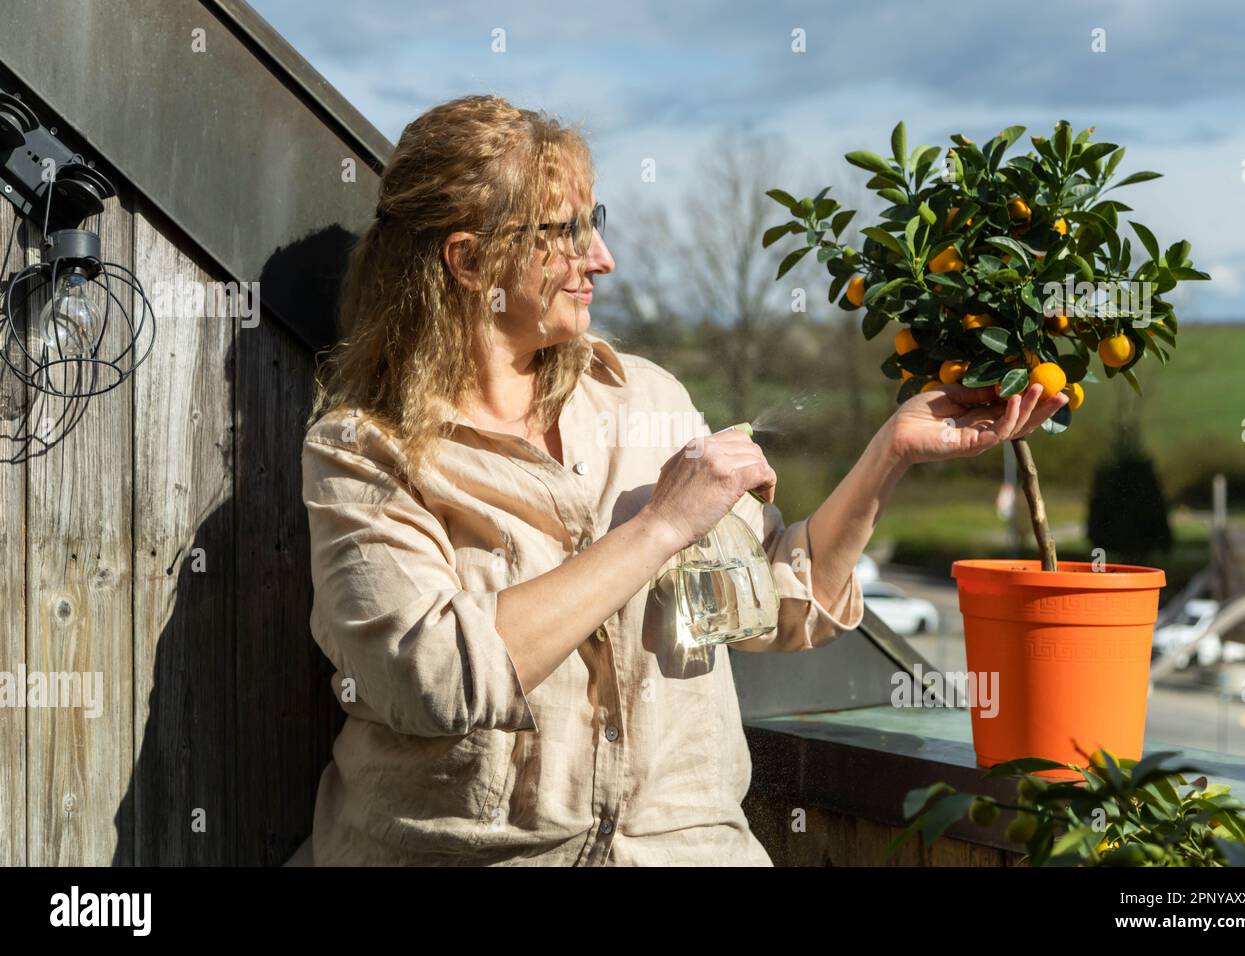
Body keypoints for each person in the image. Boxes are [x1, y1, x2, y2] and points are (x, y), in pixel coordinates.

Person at [299, 94, 1068, 866]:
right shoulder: (365, 455)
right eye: (565, 232)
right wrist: (660, 526)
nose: (601, 258)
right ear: (468, 261)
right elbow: (432, 680)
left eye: (594, 222)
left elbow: (779, 604)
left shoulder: (649, 401)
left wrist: (891, 452)